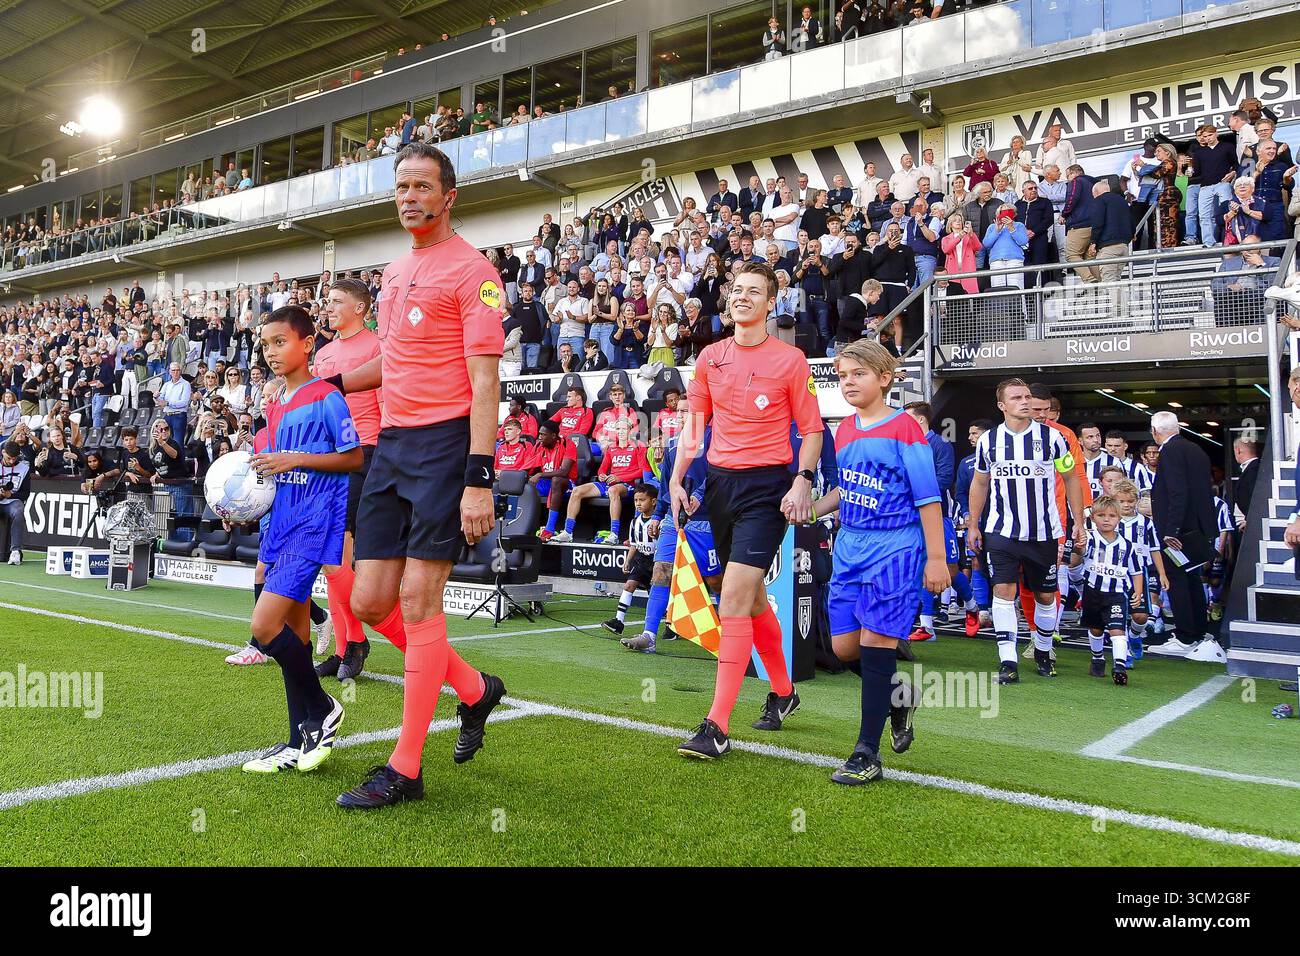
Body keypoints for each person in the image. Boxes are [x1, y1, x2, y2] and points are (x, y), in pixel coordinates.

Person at [323, 143, 509, 809]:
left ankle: (405, 767)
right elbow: (394, 360)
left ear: (449, 195)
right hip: (393, 447)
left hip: (445, 447)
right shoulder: (395, 270)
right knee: (369, 602)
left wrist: (479, 476)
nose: (410, 196)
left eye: (423, 186)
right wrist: (332, 384)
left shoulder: (475, 273)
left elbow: (486, 380)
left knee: (417, 604)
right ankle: (474, 688)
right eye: (401, 185)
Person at [669, 261, 823, 759]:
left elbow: (813, 429)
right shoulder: (710, 357)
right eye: (737, 290)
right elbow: (695, 424)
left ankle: (716, 726)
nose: (742, 297)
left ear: (770, 303)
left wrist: (803, 481)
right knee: (751, 597)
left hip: (767, 489)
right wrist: (677, 477)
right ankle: (783, 691)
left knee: (732, 597)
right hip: (718, 486)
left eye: (754, 292)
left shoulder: (792, 360)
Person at [811, 341, 947, 784]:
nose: (848, 382)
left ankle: (866, 752)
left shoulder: (907, 428)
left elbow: (928, 499)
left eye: (858, 374)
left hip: (896, 548)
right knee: (844, 649)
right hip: (850, 546)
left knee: (876, 644)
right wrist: (810, 508)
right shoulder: (843, 430)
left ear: (884, 378)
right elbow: (845, 490)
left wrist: (937, 559)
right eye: (843, 374)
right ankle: (898, 698)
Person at [237, 306, 361, 775]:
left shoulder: (326, 396)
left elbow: (353, 458)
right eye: (265, 344)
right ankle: (297, 739)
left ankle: (324, 709)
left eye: (280, 342)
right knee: (298, 637)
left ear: (307, 344)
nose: (271, 352)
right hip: (282, 521)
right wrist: (246, 499)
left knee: (264, 630)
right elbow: (274, 468)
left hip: (313, 525)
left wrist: (295, 460)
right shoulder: (276, 404)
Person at [966, 379, 1086, 684]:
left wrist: (1079, 522)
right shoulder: (988, 442)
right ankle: (1008, 660)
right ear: (1002, 406)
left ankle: (1043, 650)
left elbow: (1071, 478)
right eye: (1017, 398)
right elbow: (980, 482)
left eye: (1027, 396)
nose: (1025, 402)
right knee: (1003, 592)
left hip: (1043, 531)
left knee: (1046, 596)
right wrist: (973, 523)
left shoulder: (1053, 438)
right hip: (1001, 530)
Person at [310, 278, 383, 677]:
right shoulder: (323, 353)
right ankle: (345, 646)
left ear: (361, 308)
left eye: (338, 301)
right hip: (327, 457)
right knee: (330, 558)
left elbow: (386, 405)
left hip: (364, 451)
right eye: (327, 300)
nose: (329, 306)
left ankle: (354, 642)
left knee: (340, 550)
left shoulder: (376, 347)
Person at [623, 394, 721, 652]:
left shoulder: (715, 438)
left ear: (702, 414)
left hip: (707, 521)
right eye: (679, 411)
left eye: (687, 411)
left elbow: (719, 474)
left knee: (715, 580)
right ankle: (649, 636)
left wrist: (700, 494)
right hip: (674, 521)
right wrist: (657, 515)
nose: (680, 416)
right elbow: (669, 483)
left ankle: (730, 637)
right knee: (661, 573)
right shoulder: (674, 444)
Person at [1147, 410, 1221, 661]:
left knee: (1178, 580)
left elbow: (1178, 493)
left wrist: (1171, 531)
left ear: (1155, 431)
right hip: (1196, 526)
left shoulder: (1170, 452)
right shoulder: (1196, 449)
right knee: (1191, 579)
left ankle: (1185, 636)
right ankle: (1197, 631)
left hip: (1178, 531)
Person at [903, 401, 976, 643]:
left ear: (921, 420)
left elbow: (944, 479)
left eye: (908, 418)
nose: (903, 424)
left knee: (950, 569)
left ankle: (972, 605)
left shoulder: (940, 444)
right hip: (910, 517)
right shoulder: (904, 445)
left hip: (937, 515)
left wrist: (915, 492)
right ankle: (926, 625)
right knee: (917, 567)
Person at [551, 420, 647, 544]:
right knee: (576, 491)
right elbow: (602, 468)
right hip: (609, 483)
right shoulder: (611, 447)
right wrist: (602, 475)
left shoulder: (638, 446)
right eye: (618, 429)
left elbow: (642, 471)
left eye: (624, 429)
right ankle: (567, 532)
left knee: (613, 490)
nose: (621, 432)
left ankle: (614, 534)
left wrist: (620, 479)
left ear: (630, 430)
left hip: (627, 484)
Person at [1080, 495, 1142, 685]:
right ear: (1093, 517)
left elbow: (1136, 571)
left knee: (1117, 630)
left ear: (1119, 518)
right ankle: (1097, 657)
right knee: (1096, 629)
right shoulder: (1089, 538)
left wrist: (1138, 592)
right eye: (1101, 515)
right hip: (1092, 591)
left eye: (1112, 516)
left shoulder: (1127, 546)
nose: (1107, 519)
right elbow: (1077, 557)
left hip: (1116, 594)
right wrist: (1077, 549)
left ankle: (1120, 666)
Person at [1114, 478, 1168, 662]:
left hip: (1138, 573)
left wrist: (1161, 573)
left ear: (1136, 500)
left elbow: (1154, 549)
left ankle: (1135, 636)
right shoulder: (1111, 521)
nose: (1126, 505)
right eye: (1122, 501)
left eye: (1130, 501)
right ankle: (1124, 654)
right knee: (1119, 613)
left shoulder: (1145, 523)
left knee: (1140, 616)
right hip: (1116, 573)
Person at [601, 483, 660, 633]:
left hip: (657, 562)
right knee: (629, 586)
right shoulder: (635, 522)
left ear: (653, 502)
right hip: (641, 560)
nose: (638, 504)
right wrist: (628, 561)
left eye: (642, 500)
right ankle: (618, 621)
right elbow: (634, 544)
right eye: (636, 500)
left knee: (657, 596)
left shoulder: (660, 521)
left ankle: (670, 625)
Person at [0, 441, 31, 565]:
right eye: (9, 458)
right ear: (3, 453)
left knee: (19, 508)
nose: (12, 461)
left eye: (14, 458)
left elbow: (25, 493)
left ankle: (15, 551)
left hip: (12, 502)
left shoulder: (24, 468)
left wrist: (10, 495)